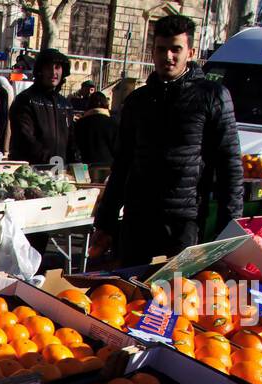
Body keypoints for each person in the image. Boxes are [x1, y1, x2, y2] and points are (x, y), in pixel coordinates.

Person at [94, 14, 243, 266]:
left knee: (177, 296)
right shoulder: (137, 101)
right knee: (127, 295)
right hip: (137, 219)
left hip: (184, 221)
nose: (168, 57)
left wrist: (230, 231)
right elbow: (122, 165)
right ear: (152, 52)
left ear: (190, 52)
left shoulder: (212, 96)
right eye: (161, 49)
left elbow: (229, 165)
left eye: (176, 49)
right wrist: (106, 222)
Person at [8, 48, 77, 166]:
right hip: (31, 171)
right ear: (40, 70)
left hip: (59, 172)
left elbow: (71, 139)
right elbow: (25, 138)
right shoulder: (25, 100)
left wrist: (75, 162)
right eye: (48, 68)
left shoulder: (65, 104)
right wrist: (50, 161)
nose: (53, 72)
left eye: (57, 67)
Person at [73, 92, 118, 166]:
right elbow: (117, 147)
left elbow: (76, 144)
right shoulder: (112, 122)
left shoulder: (80, 123)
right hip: (108, 165)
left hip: (85, 165)